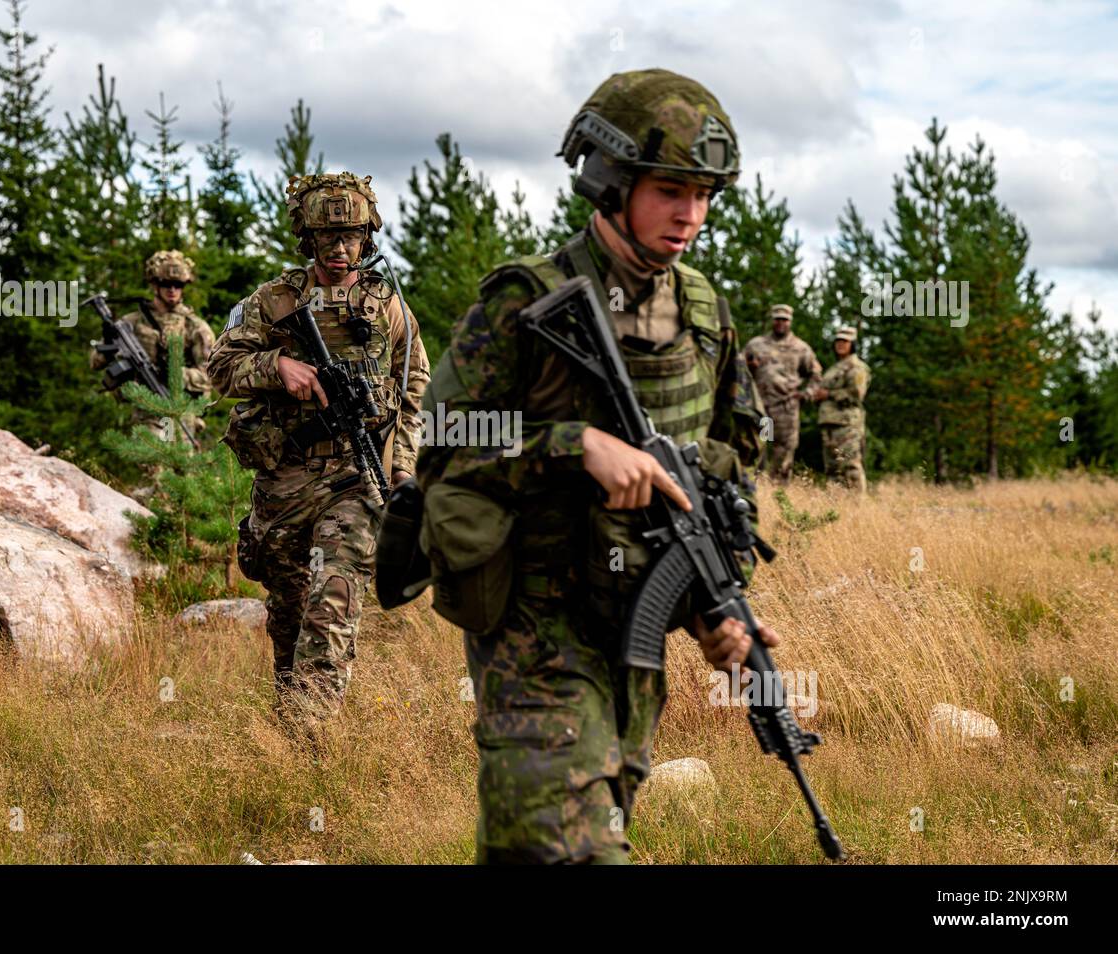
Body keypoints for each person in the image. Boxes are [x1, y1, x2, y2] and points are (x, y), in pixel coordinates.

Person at [416, 68, 782, 864]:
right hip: (535, 630)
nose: (692, 214)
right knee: (569, 849)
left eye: (706, 194)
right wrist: (572, 443)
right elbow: (440, 436)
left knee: (557, 838)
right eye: (670, 189)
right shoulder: (527, 300)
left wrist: (716, 610)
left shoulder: (706, 315)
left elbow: (717, 483)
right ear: (611, 181)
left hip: (634, 642)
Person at [206, 172, 429, 724]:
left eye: (351, 236)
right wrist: (277, 367)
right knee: (288, 612)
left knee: (333, 602)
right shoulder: (273, 301)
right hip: (285, 479)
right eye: (328, 238)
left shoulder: (388, 307)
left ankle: (313, 733)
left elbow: (413, 388)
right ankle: (289, 730)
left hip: (356, 476)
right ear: (307, 238)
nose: (341, 248)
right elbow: (219, 368)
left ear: (367, 237)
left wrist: (400, 467)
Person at [89, 249, 215, 452]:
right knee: (156, 465)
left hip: (181, 411)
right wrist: (109, 346)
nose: (172, 289)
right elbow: (95, 362)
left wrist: (177, 375)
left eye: (178, 285)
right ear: (154, 284)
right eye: (166, 284)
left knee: (184, 475)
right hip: (147, 410)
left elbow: (212, 375)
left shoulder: (196, 328)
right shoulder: (131, 323)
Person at [742, 303, 822, 482]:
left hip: (786, 409)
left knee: (784, 451)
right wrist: (748, 366)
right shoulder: (756, 345)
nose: (780, 323)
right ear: (772, 320)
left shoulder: (800, 348)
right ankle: (758, 490)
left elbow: (816, 374)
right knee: (759, 448)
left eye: (784, 320)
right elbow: (737, 369)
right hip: (762, 409)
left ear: (790, 322)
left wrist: (806, 394)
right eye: (777, 319)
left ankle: (780, 495)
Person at [813, 326, 870, 492]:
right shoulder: (835, 368)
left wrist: (828, 394)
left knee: (850, 465)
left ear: (852, 344)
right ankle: (837, 508)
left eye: (845, 341)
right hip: (829, 423)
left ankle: (858, 506)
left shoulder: (857, 367)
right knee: (832, 469)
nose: (840, 344)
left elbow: (857, 394)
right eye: (838, 340)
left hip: (847, 424)